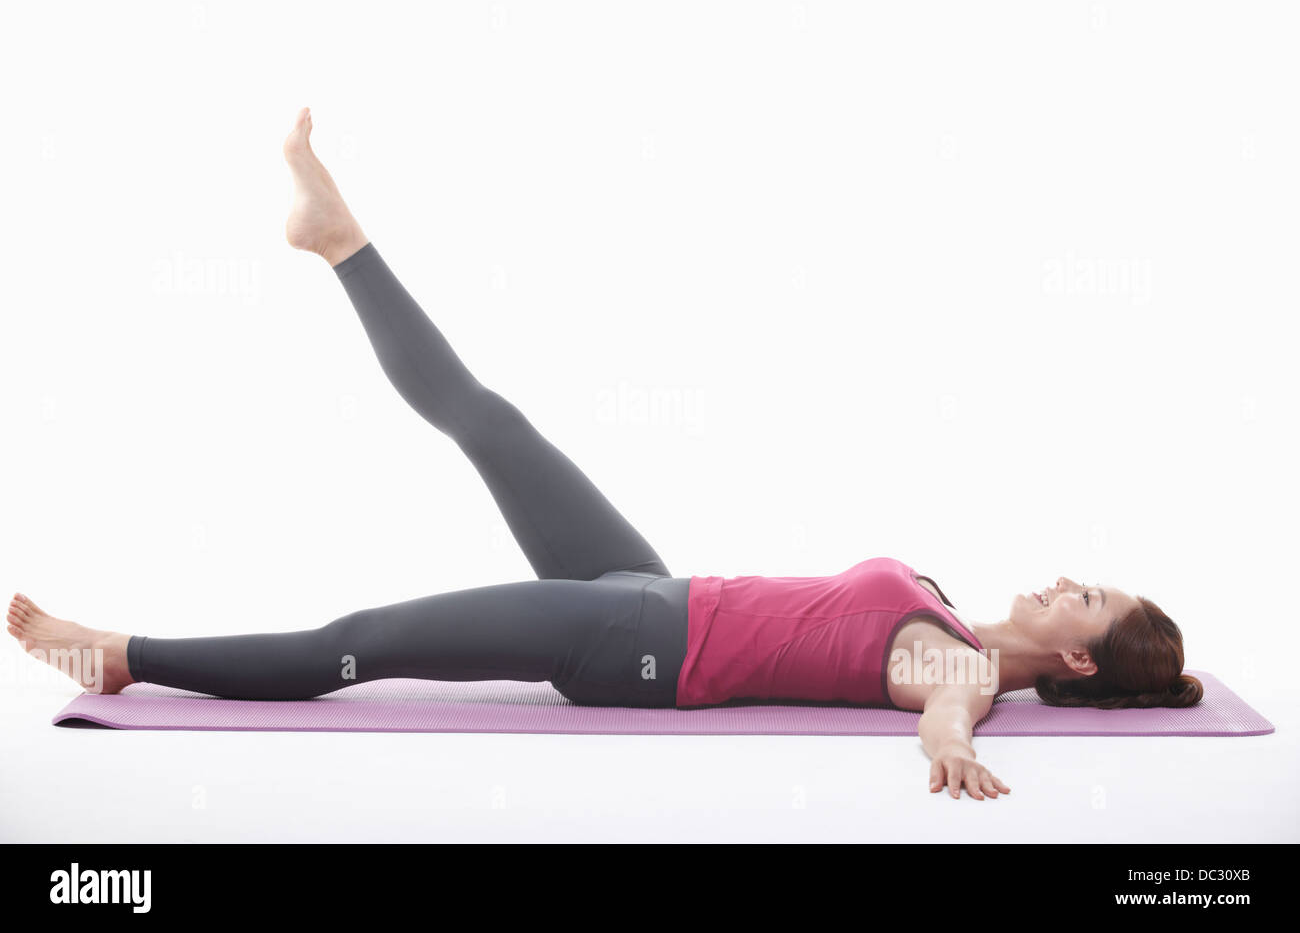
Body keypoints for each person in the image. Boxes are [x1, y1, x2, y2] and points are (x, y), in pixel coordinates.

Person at [7, 109, 1203, 800]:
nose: (1060, 578)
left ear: (1081, 666)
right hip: (653, 590)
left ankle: (117, 655)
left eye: (1081, 599)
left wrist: (952, 757)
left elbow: (947, 717)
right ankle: (340, 242)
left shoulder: (969, 674)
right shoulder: (949, 616)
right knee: (492, 420)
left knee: (350, 642)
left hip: (626, 647)